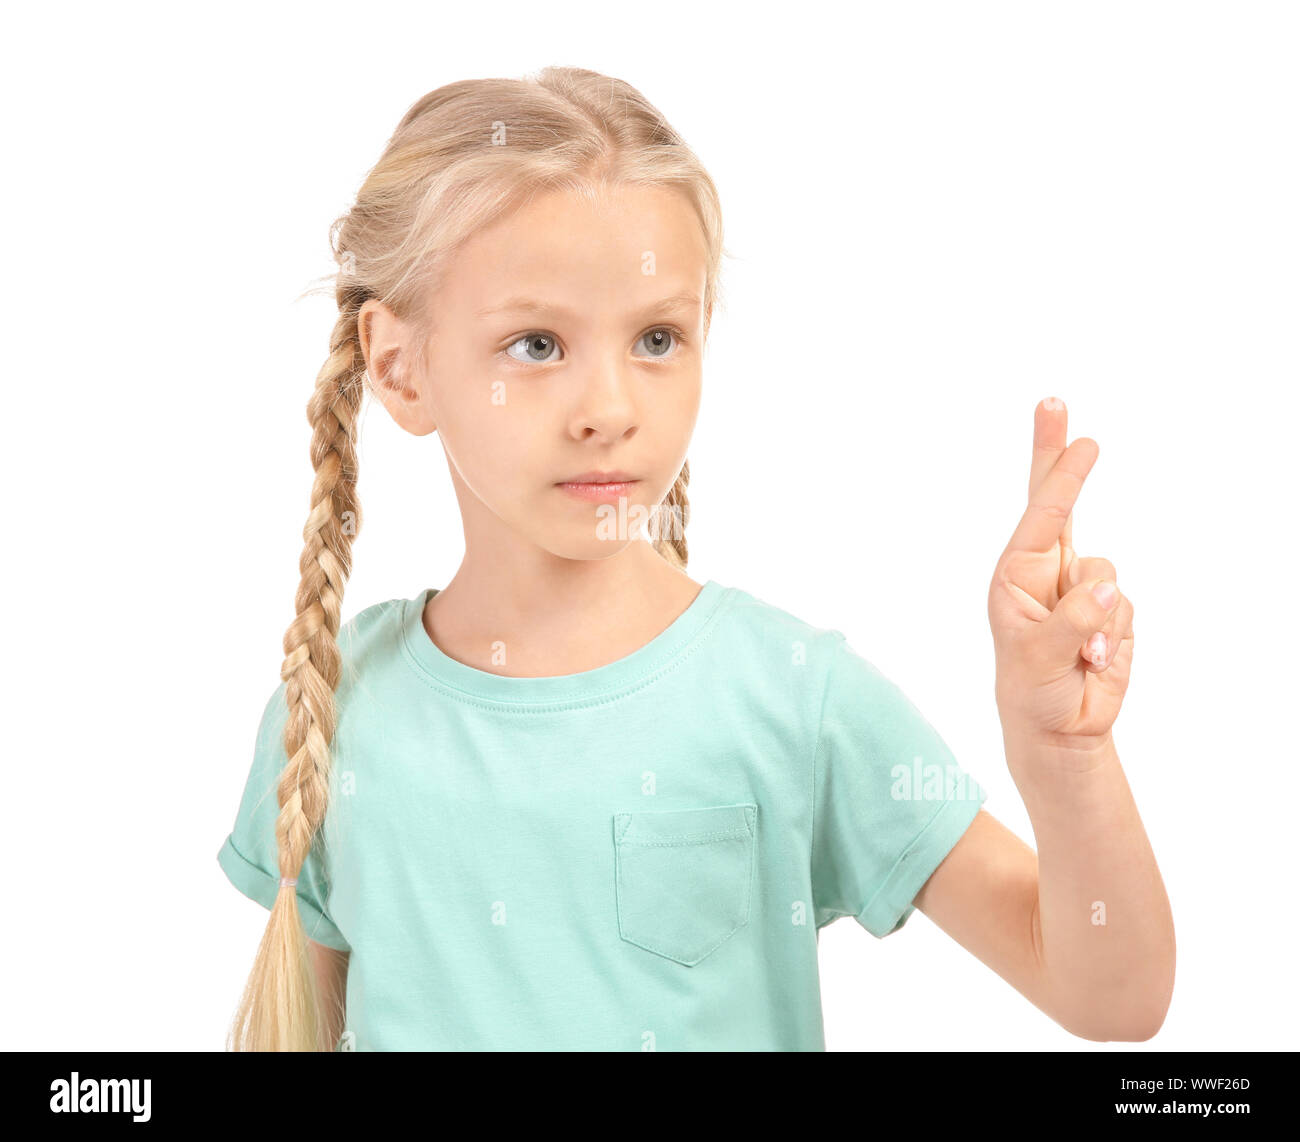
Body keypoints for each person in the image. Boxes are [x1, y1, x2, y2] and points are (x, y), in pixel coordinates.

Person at [216, 66, 1173, 1051]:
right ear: (397, 366)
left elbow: (1113, 994)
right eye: (537, 344)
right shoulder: (334, 711)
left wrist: (1064, 759)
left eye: (657, 338)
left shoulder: (795, 695)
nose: (612, 409)